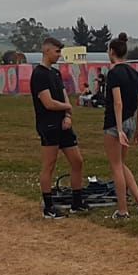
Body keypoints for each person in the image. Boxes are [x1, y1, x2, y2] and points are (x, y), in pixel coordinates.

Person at [31, 36, 87, 218]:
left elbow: (63, 97)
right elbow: (48, 103)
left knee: (77, 161)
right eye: (57, 51)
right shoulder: (39, 74)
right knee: (49, 164)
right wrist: (67, 107)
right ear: (46, 51)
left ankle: (77, 203)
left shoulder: (55, 74)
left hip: (63, 124)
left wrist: (68, 115)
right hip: (48, 125)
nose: (59, 55)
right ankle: (48, 207)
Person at [102, 33, 138, 219]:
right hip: (131, 121)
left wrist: (119, 129)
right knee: (122, 164)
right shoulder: (135, 73)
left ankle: (122, 210)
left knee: (115, 166)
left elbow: (117, 103)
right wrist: (137, 128)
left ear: (112, 52)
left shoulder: (114, 73)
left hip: (116, 123)